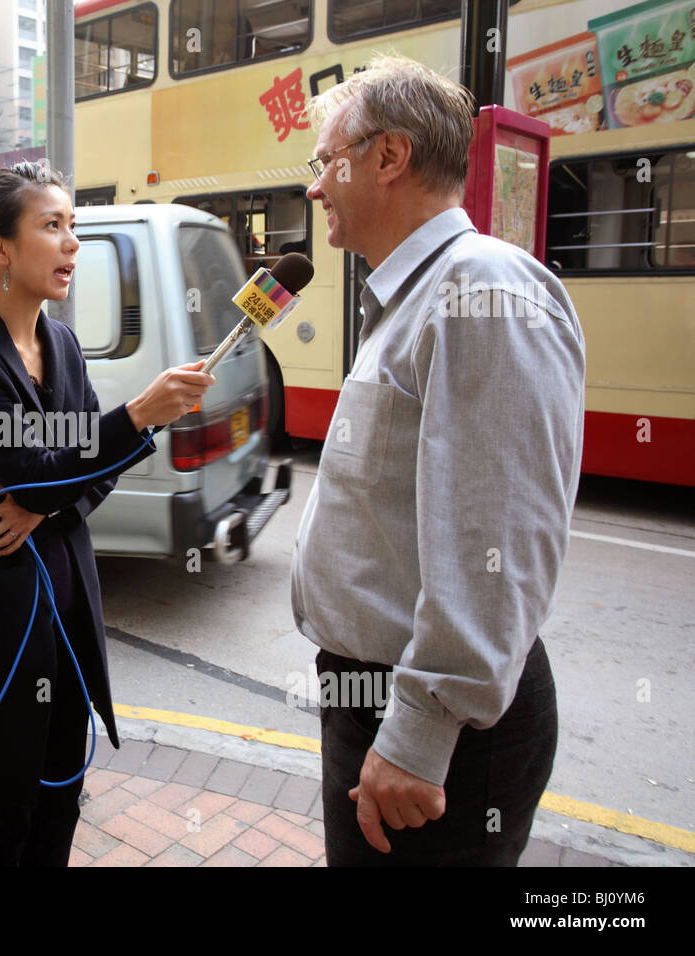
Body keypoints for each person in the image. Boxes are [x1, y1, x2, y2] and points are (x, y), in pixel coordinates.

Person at [292, 56, 585, 865]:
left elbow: (499, 540)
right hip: (377, 700)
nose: (315, 188)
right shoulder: (413, 297)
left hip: (436, 725)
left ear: (388, 158)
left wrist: (420, 731)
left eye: (326, 163)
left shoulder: (480, 292)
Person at [0, 162, 215, 866]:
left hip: (69, 617)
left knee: (58, 804)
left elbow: (82, 475)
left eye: (73, 225)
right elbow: (37, 469)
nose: (73, 243)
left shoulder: (63, 343)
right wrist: (135, 416)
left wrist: (43, 510)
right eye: (53, 226)